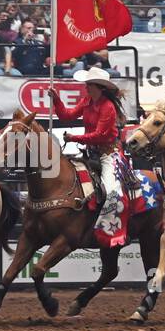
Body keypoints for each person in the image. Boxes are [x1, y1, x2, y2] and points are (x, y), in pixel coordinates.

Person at [47, 68, 128, 248]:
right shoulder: (87, 100)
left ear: (99, 87)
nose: (85, 87)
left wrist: (73, 138)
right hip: (92, 152)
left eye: (89, 85)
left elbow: (100, 135)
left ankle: (111, 231)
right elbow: (66, 116)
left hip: (109, 154)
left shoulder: (108, 107)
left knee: (112, 190)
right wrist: (57, 100)